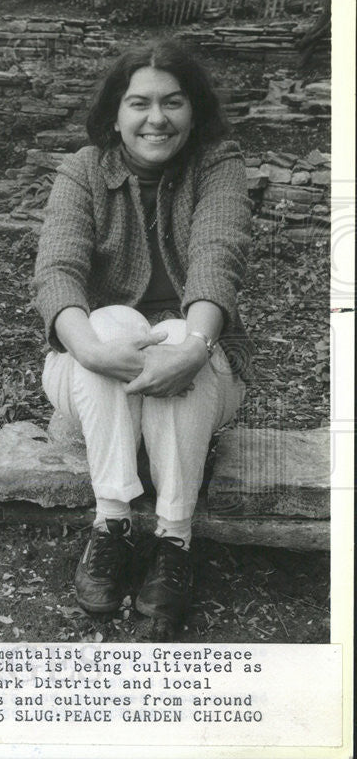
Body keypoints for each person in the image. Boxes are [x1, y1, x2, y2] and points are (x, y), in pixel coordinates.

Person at [33, 39, 254, 625]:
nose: (156, 118)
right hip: (87, 371)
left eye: (173, 102)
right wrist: (94, 349)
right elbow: (57, 270)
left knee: (181, 327)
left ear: (194, 110)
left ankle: (173, 537)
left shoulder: (219, 167)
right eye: (139, 103)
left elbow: (217, 259)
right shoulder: (83, 169)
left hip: (203, 372)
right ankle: (112, 522)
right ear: (115, 113)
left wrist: (193, 348)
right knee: (113, 321)